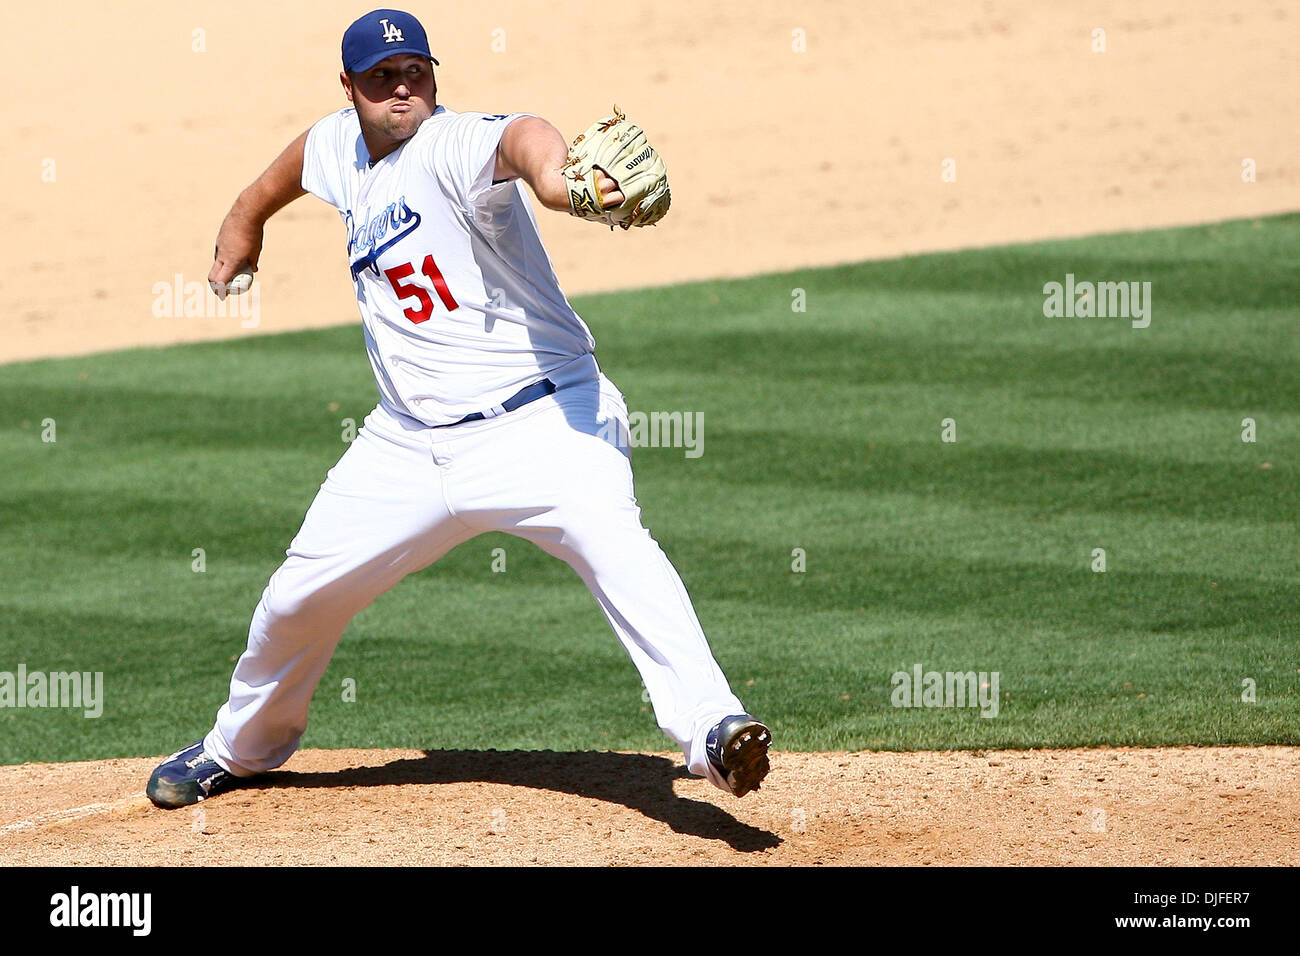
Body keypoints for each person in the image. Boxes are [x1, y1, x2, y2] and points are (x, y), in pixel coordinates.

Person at [146, 8, 770, 809]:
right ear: (351, 88)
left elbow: (523, 138)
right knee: (298, 597)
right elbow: (292, 166)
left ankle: (715, 731)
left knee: (619, 548)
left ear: (434, 76)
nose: (403, 89)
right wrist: (243, 222)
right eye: (382, 78)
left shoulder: (454, 143)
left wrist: (556, 182)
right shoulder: (338, 142)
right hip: (405, 446)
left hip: (542, 423)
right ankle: (239, 747)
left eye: (416, 73)